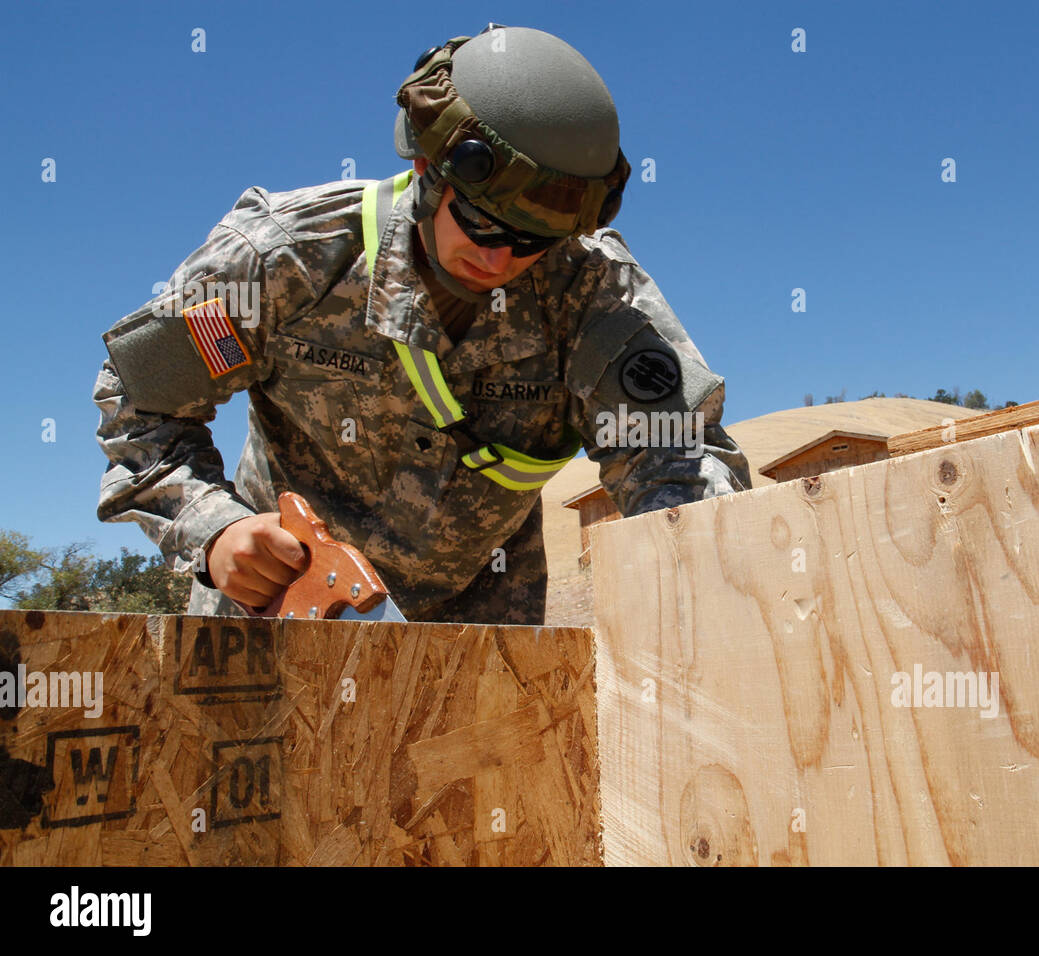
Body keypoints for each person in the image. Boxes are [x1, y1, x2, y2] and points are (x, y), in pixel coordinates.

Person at [93, 24, 750, 624]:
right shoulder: (285, 259)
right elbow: (140, 407)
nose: (500, 258)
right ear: (426, 171)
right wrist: (214, 529)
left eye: (532, 241)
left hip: (474, 645)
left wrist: (705, 586)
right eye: (482, 224)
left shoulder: (592, 291)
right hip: (282, 613)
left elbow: (675, 455)